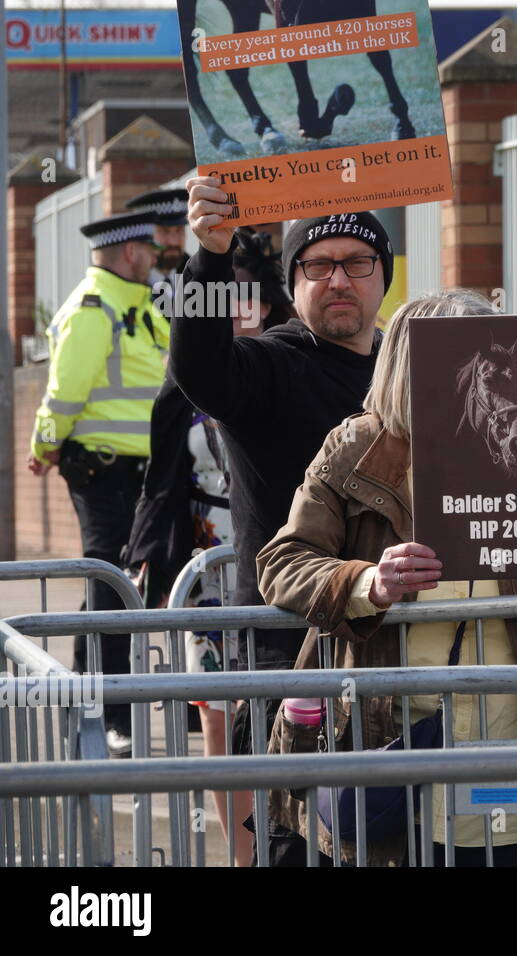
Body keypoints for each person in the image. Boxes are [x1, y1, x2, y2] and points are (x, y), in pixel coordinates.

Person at [254, 289, 517, 867]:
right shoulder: (355, 450)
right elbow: (284, 562)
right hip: (394, 753)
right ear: (414, 369)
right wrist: (367, 583)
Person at [173, 177, 391, 703]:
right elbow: (199, 369)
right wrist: (210, 256)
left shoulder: (407, 369)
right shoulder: (271, 364)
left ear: (384, 276)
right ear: (293, 286)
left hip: (394, 644)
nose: (339, 280)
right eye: (317, 266)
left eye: (358, 262)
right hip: (289, 648)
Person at [122, 228, 291, 864]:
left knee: (287, 711)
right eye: (224, 299)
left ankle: (295, 841)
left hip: (278, 564)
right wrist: (146, 551)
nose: (237, 309)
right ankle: (244, 856)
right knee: (218, 716)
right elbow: (160, 476)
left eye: (247, 298)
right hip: (206, 571)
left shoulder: (293, 363)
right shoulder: (190, 374)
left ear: (270, 304)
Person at [27, 210, 170, 757]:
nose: (157, 258)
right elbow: (65, 389)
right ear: (130, 252)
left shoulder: (137, 304)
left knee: (111, 586)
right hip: (101, 469)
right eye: (151, 250)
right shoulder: (95, 307)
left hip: (138, 472)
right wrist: (44, 444)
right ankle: (109, 715)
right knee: (109, 583)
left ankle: (86, 699)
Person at [126, 187, 190, 294]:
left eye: (179, 230)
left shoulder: (199, 278)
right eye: (164, 231)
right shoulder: (129, 286)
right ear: (144, 235)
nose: (173, 241)